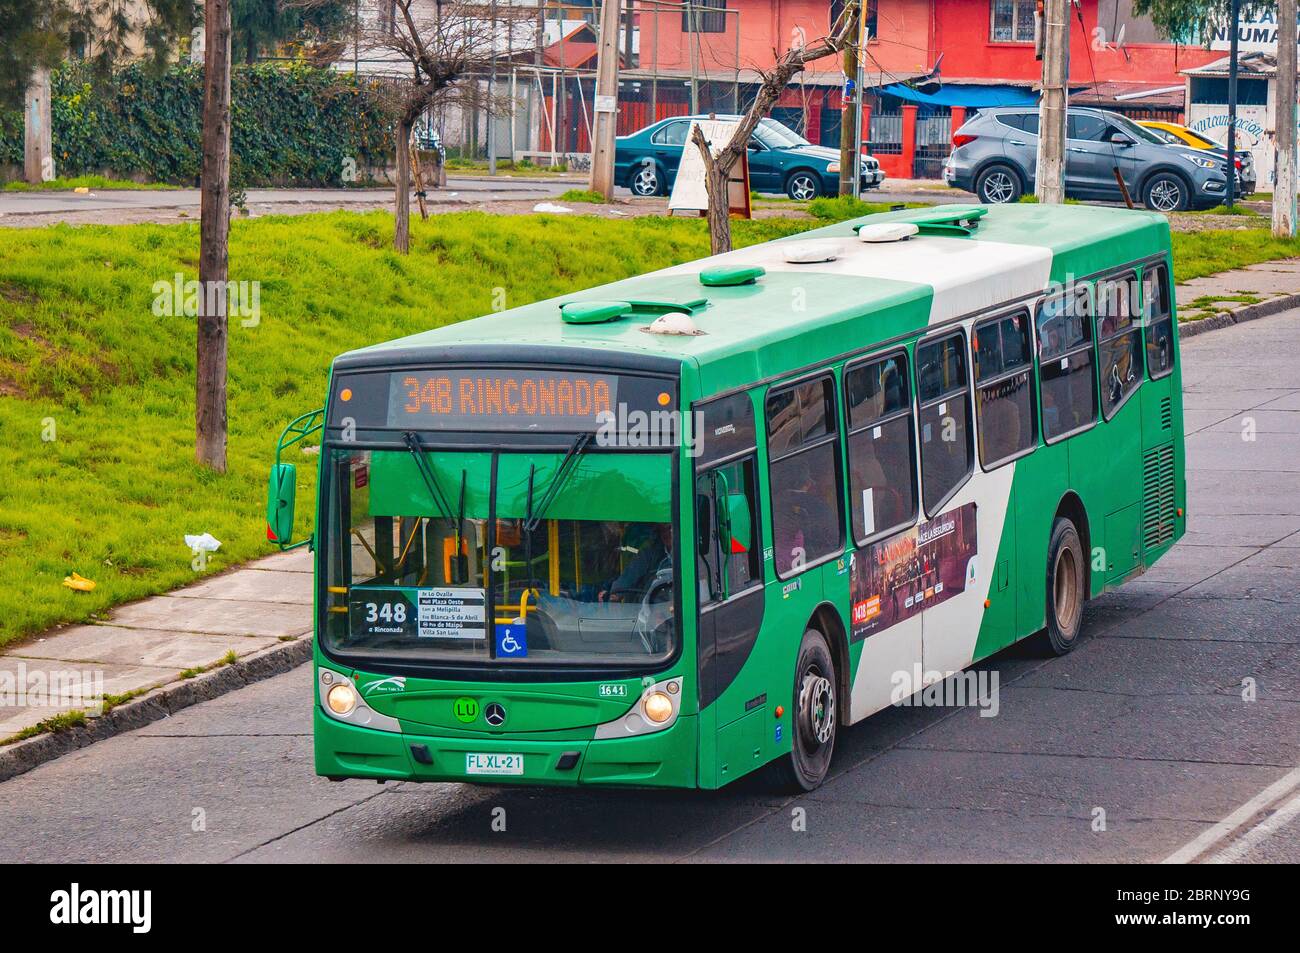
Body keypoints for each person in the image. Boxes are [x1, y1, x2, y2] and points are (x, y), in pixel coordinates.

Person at [602, 523, 672, 602]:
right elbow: (631, 574)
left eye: (670, 528)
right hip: (648, 608)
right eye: (662, 530)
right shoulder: (650, 554)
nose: (667, 533)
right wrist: (615, 593)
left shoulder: (686, 556)